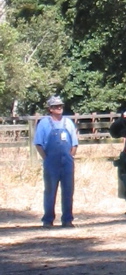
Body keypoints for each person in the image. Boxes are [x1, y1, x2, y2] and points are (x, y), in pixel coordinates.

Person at [34, 95, 78, 228]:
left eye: (60, 106)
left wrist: (70, 157)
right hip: (51, 162)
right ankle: (48, 220)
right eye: (55, 106)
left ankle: (67, 219)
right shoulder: (44, 123)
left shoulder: (68, 122)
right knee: (50, 191)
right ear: (50, 109)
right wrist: (46, 158)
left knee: (68, 191)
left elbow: (74, 143)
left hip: (67, 162)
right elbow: (38, 143)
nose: (59, 108)